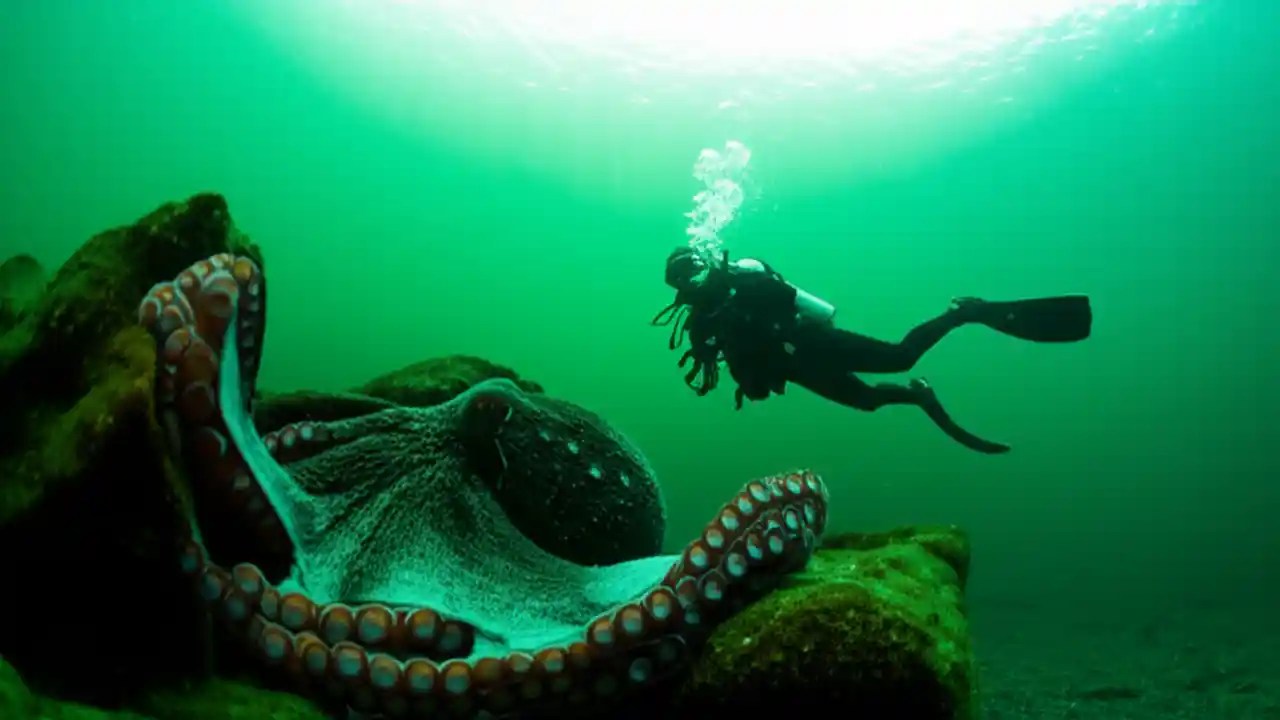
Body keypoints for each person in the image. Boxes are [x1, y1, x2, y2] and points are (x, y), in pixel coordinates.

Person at [651, 246, 1093, 454]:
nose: (688, 284)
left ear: (705, 263)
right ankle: (918, 396)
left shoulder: (743, 280)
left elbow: (820, 313)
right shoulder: (699, 322)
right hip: (799, 371)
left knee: (901, 357)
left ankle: (964, 312)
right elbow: (714, 368)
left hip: (813, 342)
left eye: (690, 272)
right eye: (679, 280)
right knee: (866, 401)